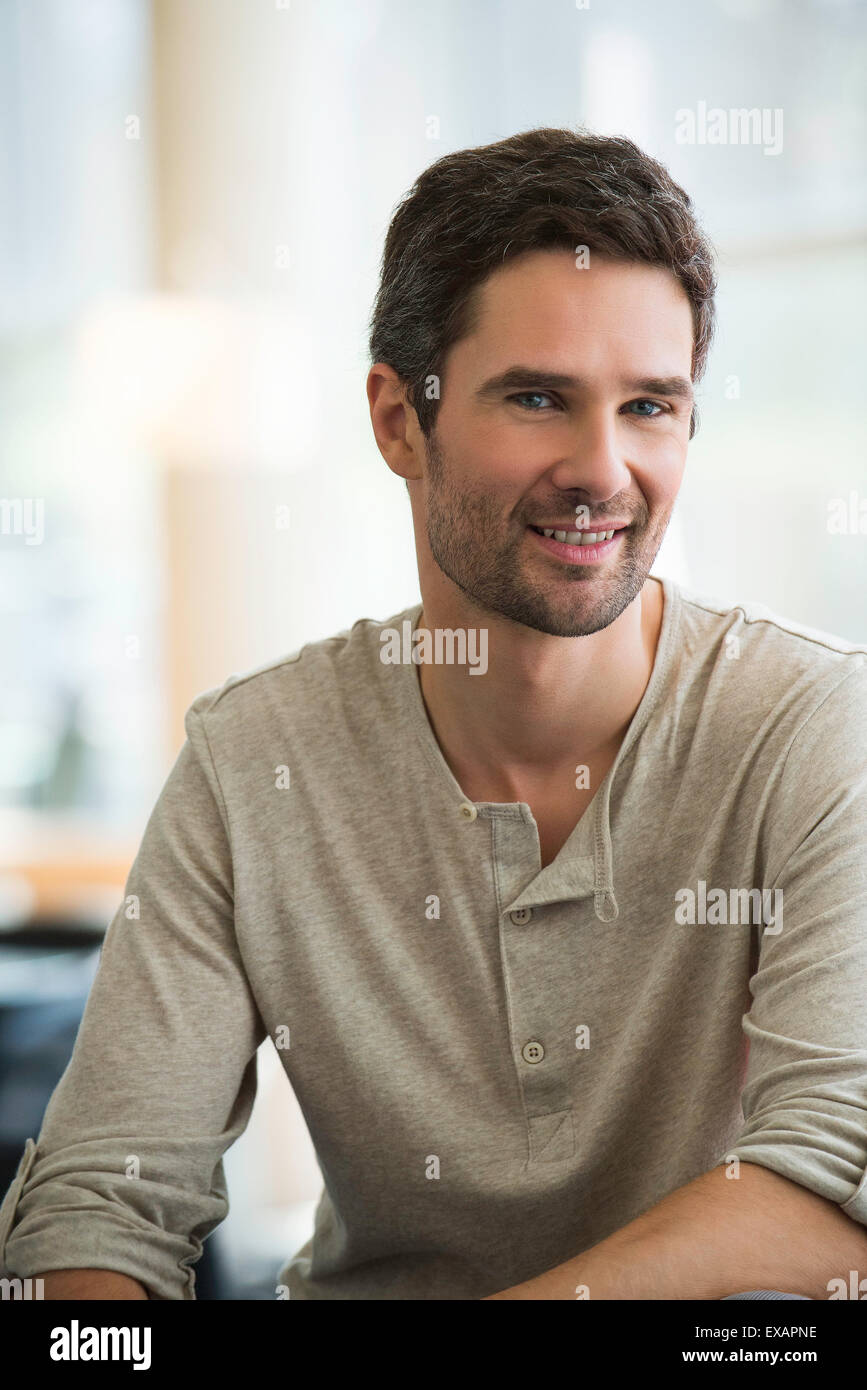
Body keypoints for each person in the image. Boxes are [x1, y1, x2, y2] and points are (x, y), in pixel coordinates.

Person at [1, 127, 865, 1302]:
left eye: (651, 405)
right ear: (400, 420)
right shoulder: (251, 760)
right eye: (539, 397)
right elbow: (99, 1201)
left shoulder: (817, 728)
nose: (603, 468)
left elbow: (837, 1182)